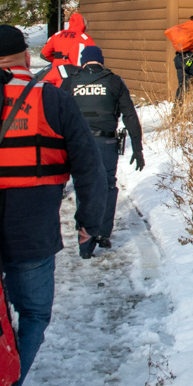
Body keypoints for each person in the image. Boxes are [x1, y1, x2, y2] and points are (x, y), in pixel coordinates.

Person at [0, 25, 107, 386]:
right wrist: (89, 223)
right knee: (33, 314)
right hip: (33, 228)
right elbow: (89, 167)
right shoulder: (52, 98)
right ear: (25, 56)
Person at [60, 45, 145, 249]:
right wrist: (137, 147)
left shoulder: (71, 81)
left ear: (83, 61)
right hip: (106, 142)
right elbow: (130, 115)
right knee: (107, 186)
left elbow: (58, 112)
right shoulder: (114, 81)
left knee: (85, 186)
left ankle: (85, 241)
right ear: (101, 61)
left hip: (79, 143)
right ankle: (103, 234)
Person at [40, 11, 96, 86]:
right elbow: (93, 58)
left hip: (57, 73)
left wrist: (57, 60)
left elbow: (44, 54)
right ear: (83, 25)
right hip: (76, 76)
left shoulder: (57, 35)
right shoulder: (86, 38)